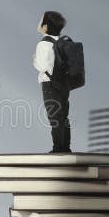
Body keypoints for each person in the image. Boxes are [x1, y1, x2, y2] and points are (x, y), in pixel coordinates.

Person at [33, 11, 71, 153]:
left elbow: (42, 67)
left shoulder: (43, 44)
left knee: (53, 116)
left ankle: (57, 148)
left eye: (40, 20)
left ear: (46, 26)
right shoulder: (61, 42)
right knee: (63, 115)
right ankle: (66, 147)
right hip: (64, 83)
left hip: (49, 83)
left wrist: (35, 60)